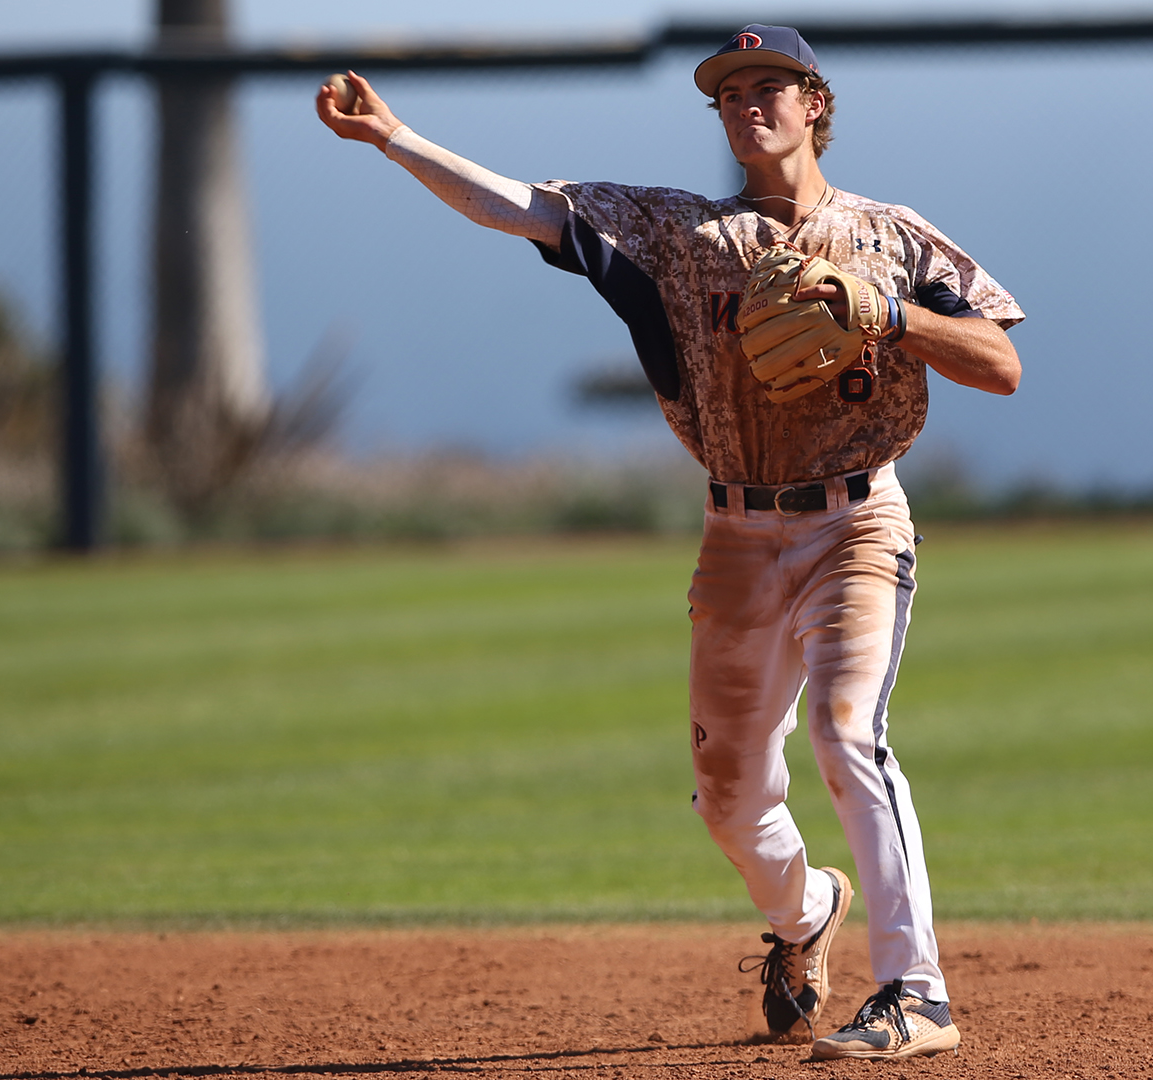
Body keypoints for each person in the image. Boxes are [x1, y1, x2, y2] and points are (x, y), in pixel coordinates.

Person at [315, 24, 1023, 1062]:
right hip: (736, 535)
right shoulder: (677, 236)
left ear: (815, 102)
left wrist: (891, 313)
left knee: (844, 732)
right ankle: (805, 914)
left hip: (858, 523)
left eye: (768, 85)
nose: (747, 104)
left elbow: (999, 361)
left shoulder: (892, 237)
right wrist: (394, 137)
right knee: (730, 798)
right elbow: (520, 207)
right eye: (729, 92)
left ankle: (917, 994)